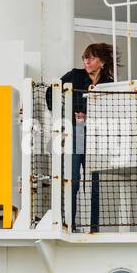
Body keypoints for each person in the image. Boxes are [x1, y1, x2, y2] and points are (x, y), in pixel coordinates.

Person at [48, 43, 114, 231]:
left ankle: (94, 227)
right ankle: (70, 224)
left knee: (95, 184)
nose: (86, 61)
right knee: (73, 180)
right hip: (75, 133)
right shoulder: (74, 75)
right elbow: (51, 91)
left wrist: (89, 116)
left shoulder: (110, 83)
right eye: (85, 57)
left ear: (101, 61)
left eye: (91, 57)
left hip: (96, 136)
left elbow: (113, 109)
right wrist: (64, 114)